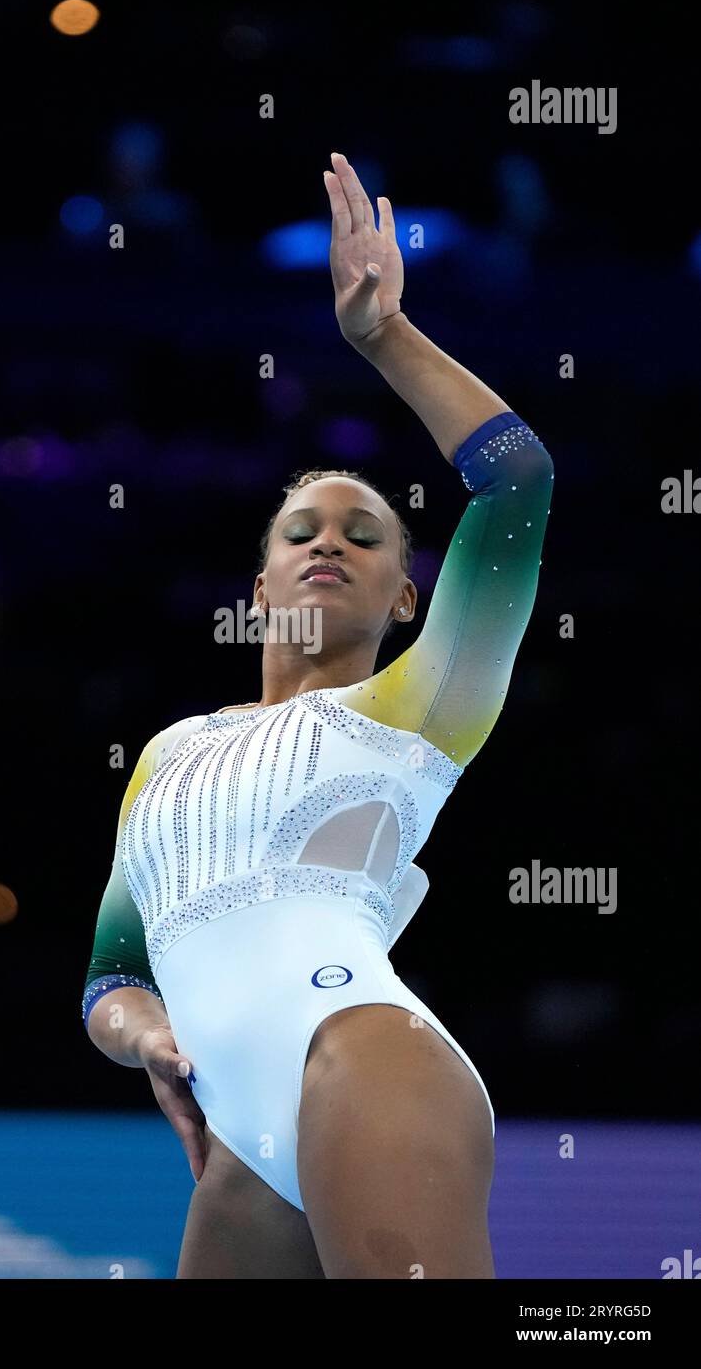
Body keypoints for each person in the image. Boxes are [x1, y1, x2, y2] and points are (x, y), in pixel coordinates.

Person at [81, 151, 554, 1278]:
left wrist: (380, 336)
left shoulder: (416, 706)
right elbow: (111, 974)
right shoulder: (166, 753)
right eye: (300, 531)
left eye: (362, 533)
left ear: (407, 595)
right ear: (259, 590)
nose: (327, 543)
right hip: (243, 1146)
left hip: (364, 1061)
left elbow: (518, 479)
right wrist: (151, 1038)